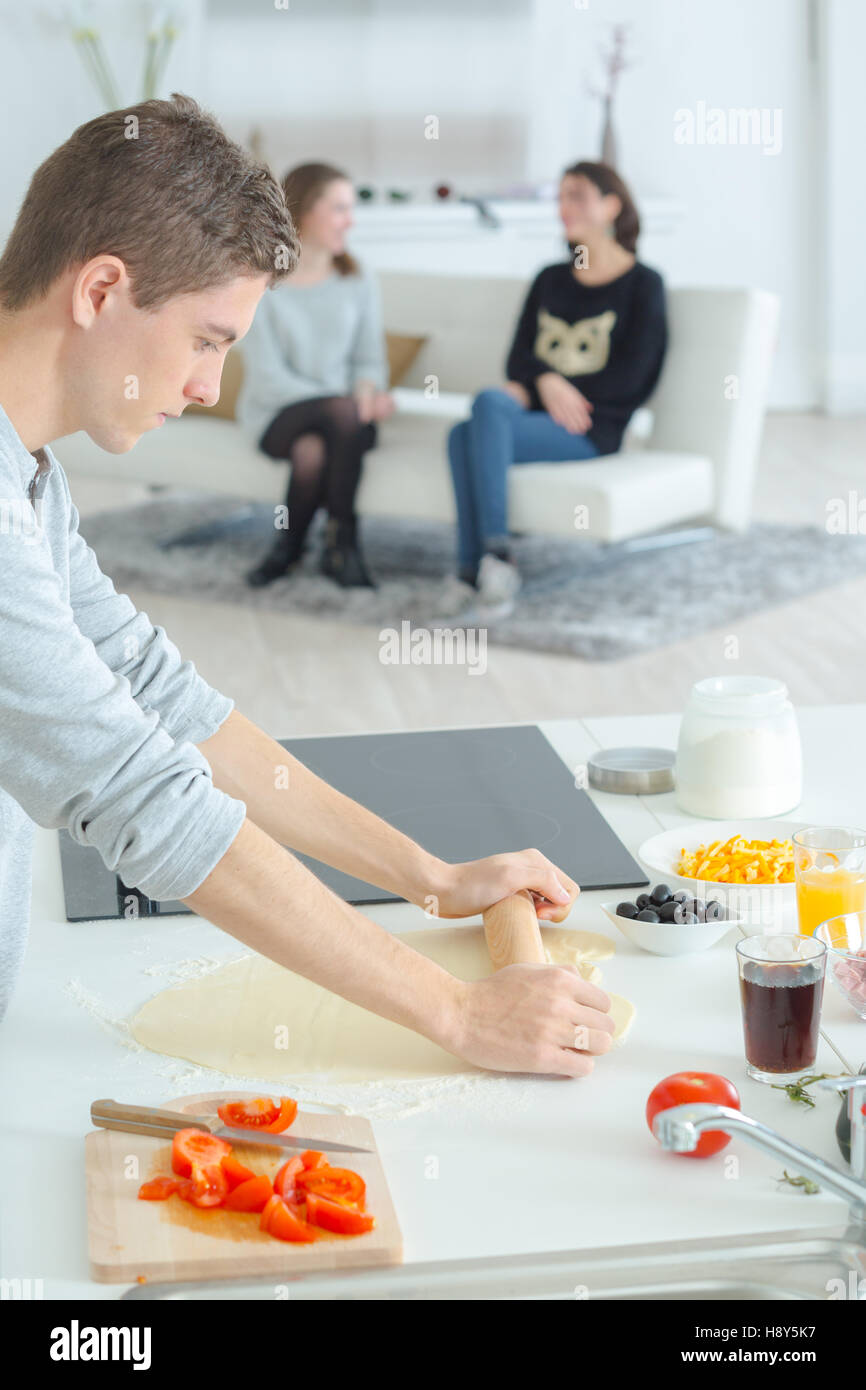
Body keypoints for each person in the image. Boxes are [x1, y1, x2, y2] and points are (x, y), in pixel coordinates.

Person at [0, 95, 615, 1079]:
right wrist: (457, 1012)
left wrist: (429, 877)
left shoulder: (32, 475)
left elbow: (160, 696)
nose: (208, 387)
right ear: (101, 289)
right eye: (207, 339)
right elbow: (144, 798)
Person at [444, 161, 668, 618]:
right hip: (537, 415)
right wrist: (546, 382)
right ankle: (493, 559)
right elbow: (518, 359)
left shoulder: (644, 285)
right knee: (482, 408)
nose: (564, 208)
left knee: (465, 434)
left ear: (612, 206)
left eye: (577, 196)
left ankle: (476, 567)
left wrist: (557, 389)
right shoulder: (550, 278)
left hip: (591, 427)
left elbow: (634, 378)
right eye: (561, 197)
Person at [237, 162, 393, 590]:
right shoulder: (261, 281)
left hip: (343, 419)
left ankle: (288, 549)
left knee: (313, 450)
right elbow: (269, 378)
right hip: (275, 413)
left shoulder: (358, 278)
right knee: (336, 420)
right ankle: (343, 545)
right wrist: (348, 403)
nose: (352, 220)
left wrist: (365, 391)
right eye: (341, 208)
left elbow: (369, 360)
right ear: (305, 211)